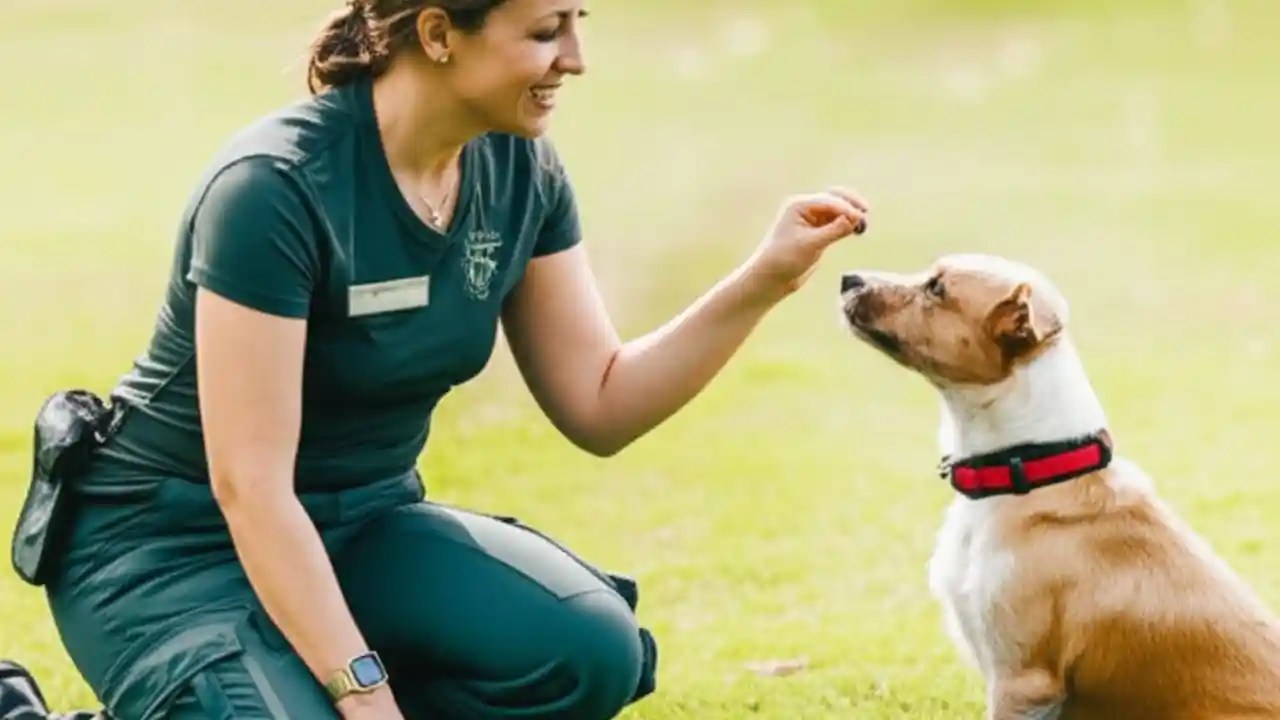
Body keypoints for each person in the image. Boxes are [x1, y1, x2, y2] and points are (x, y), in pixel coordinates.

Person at [12, 0, 869, 718]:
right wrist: (363, 692)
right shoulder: (272, 187)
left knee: (589, 651)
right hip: (172, 548)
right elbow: (251, 489)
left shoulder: (519, 166)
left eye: (577, 21)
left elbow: (601, 403)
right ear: (437, 33)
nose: (575, 57)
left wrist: (766, 279)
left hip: (362, 524)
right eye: (544, 31)